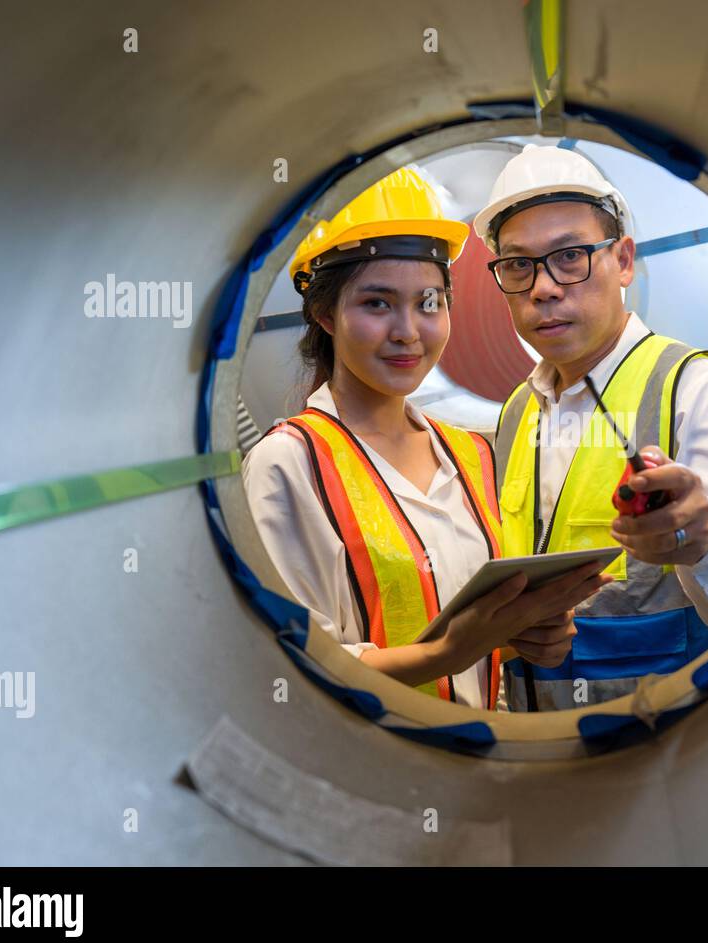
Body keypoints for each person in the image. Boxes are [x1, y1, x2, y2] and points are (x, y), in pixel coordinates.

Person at [242, 167, 611, 710]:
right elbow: (290, 667)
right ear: (325, 314)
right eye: (377, 303)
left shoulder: (470, 454)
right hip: (365, 769)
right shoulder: (289, 462)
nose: (408, 332)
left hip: (470, 762)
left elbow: (455, 625)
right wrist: (448, 654)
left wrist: (519, 637)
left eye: (429, 302)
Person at [473, 145, 708, 711]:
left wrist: (705, 538)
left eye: (569, 256)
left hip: (661, 738)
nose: (543, 287)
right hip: (532, 735)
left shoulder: (694, 386)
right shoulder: (519, 408)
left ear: (622, 260)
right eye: (518, 265)